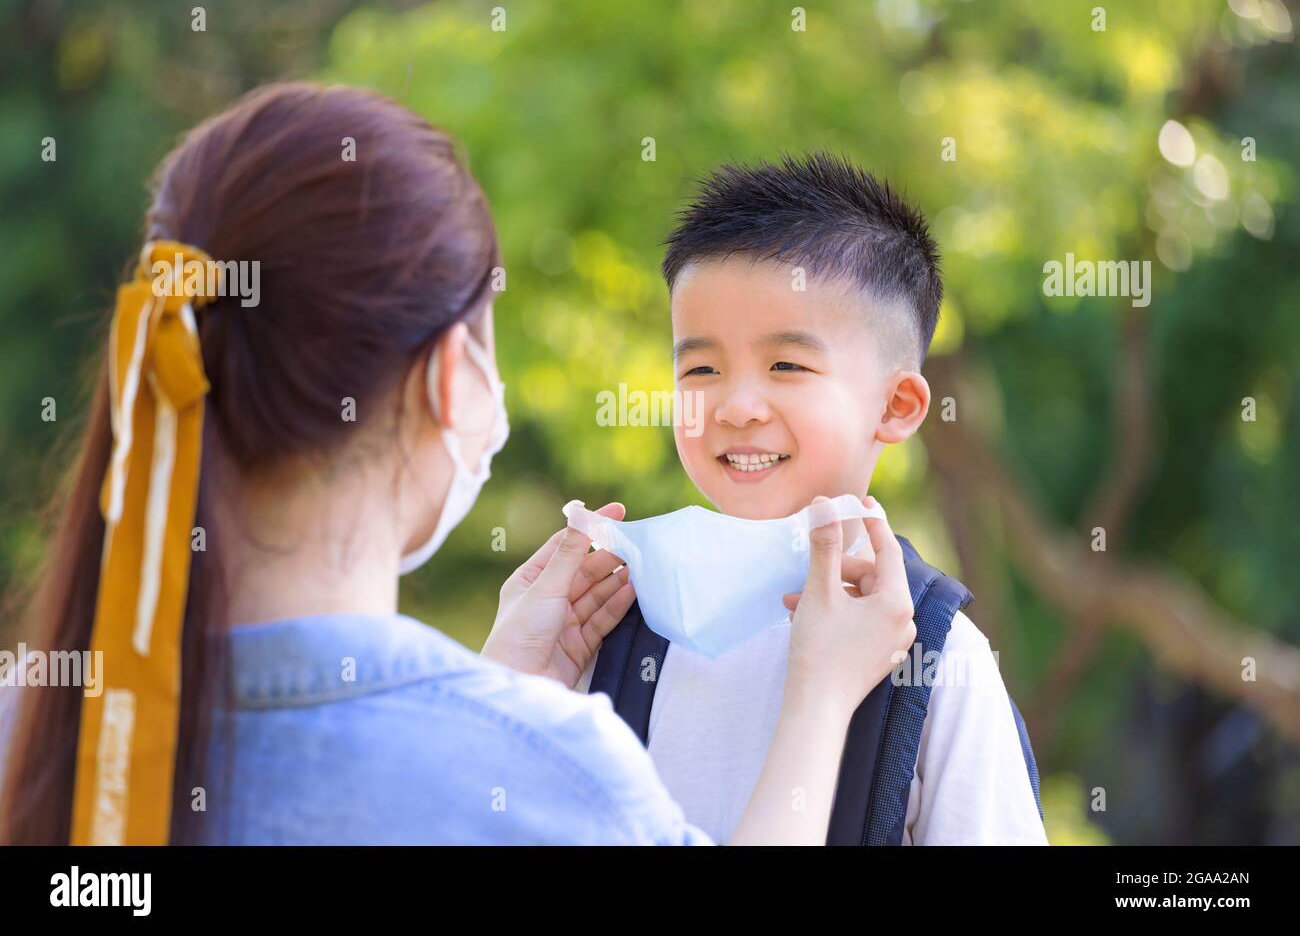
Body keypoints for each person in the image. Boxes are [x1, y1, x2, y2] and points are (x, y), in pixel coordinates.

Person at [0, 83, 916, 845]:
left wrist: (502, 689)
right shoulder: (556, 778)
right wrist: (821, 701)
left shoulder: (34, 733)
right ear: (449, 376)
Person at [578, 154, 1048, 844]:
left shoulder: (935, 657)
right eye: (701, 367)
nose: (736, 406)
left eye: (786, 365)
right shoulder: (610, 623)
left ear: (897, 403)